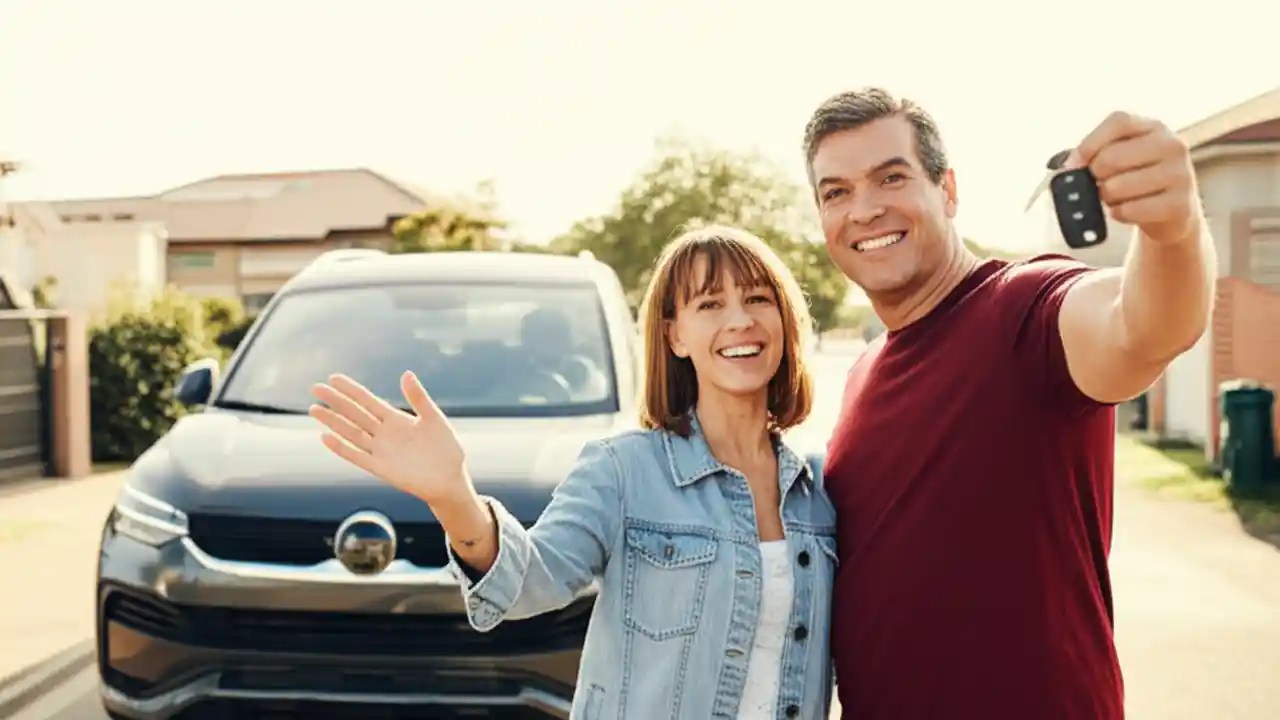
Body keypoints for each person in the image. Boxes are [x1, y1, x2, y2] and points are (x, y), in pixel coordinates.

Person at [308, 225, 839, 719]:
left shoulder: (819, 488)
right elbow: (527, 584)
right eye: (711, 303)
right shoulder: (624, 470)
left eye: (757, 299)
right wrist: (454, 497)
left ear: (784, 319)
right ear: (675, 336)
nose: (740, 319)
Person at [803, 87, 1216, 718]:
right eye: (836, 192)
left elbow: (1145, 327)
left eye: (891, 177)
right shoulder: (863, 371)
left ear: (947, 191)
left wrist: (1175, 228)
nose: (864, 210)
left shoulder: (1023, 309)